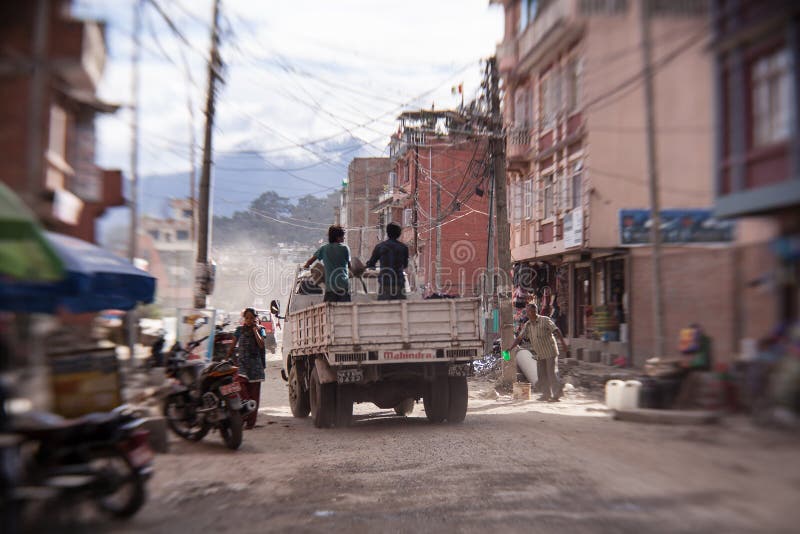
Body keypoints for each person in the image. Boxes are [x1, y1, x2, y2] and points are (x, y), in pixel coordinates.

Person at [509, 302, 569, 402]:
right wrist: (510, 348)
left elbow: (556, 330)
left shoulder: (545, 320)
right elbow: (519, 338)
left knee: (551, 374)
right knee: (541, 375)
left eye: (528, 311)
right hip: (540, 353)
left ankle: (557, 394)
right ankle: (546, 394)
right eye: (527, 311)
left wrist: (563, 344)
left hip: (550, 351)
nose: (527, 313)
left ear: (534, 311)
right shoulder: (528, 324)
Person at [227, 307, 266, 429]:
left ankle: (250, 423)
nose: (249, 320)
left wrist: (255, 331)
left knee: (255, 394)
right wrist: (226, 358)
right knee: (238, 384)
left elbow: (261, 345)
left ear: (256, 319)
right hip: (242, 365)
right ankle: (244, 412)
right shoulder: (239, 330)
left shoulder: (261, 330)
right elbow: (232, 346)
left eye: (252, 318)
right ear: (244, 318)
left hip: (255, 367)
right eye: (247, 318)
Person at [303, 225, 352, 302]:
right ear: (337, 237)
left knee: (328, 310)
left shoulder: (324, 248)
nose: (344, 238)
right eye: (343, 236)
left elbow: (310, 261)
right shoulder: (345, 248)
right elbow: (350, 266)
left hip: (330, 287)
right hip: (343, 285)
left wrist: (306, 266)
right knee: (345, 309)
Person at [366, 222, 409, 300]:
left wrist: (369, 264)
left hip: (385, 283)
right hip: (399, 283)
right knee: (401, 309)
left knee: (384, 309)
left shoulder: (380, 247)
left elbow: (371, 263)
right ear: (399, 234)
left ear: (387, 233)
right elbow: (405, 265)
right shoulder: (403, 248)